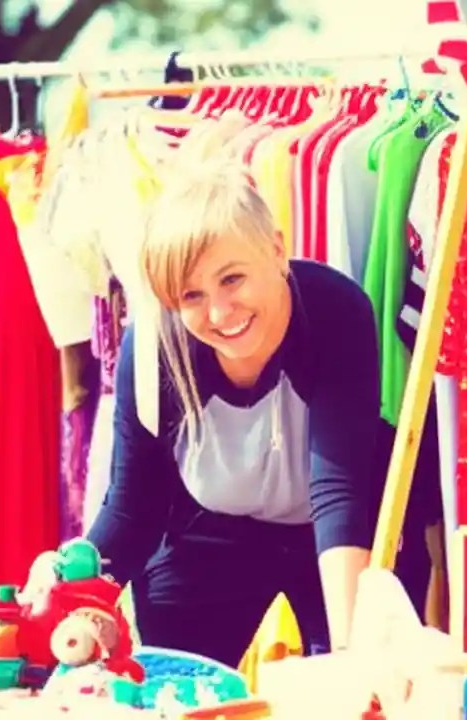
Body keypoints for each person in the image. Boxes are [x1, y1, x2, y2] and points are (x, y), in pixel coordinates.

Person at [86, 159, 380, 668]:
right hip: (207, 534)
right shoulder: (155, 343)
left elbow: (339, 492)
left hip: (328, 533)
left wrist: (354, 659)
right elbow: (133, 508)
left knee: (353, 682)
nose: (220, 314)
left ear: (276, 250)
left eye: (233, 279)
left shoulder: (337, 311)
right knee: (177, 687)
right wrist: (79, 595)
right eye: (191, 296)